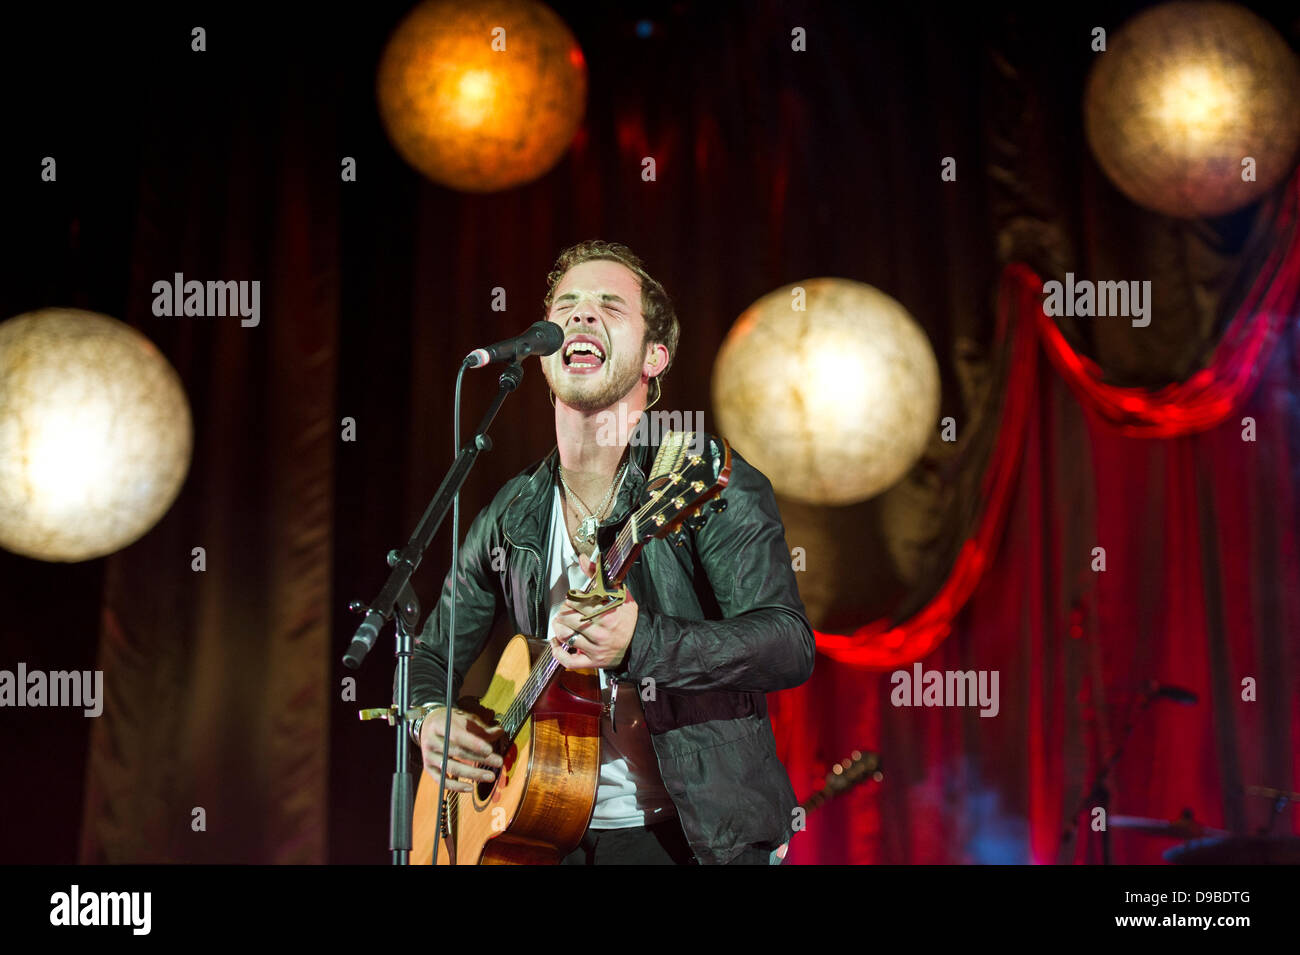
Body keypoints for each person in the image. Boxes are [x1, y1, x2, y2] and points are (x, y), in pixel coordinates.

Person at [408, 239, 814, 864]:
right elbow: (430, 650)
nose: (580, 315)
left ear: (655, 357)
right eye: (565, 305)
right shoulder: (510, 514)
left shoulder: (702, 480)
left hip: (693, 837)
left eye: (608, 306)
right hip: (541, 833)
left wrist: (642, 642)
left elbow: (788, 644)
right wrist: (430, 716)